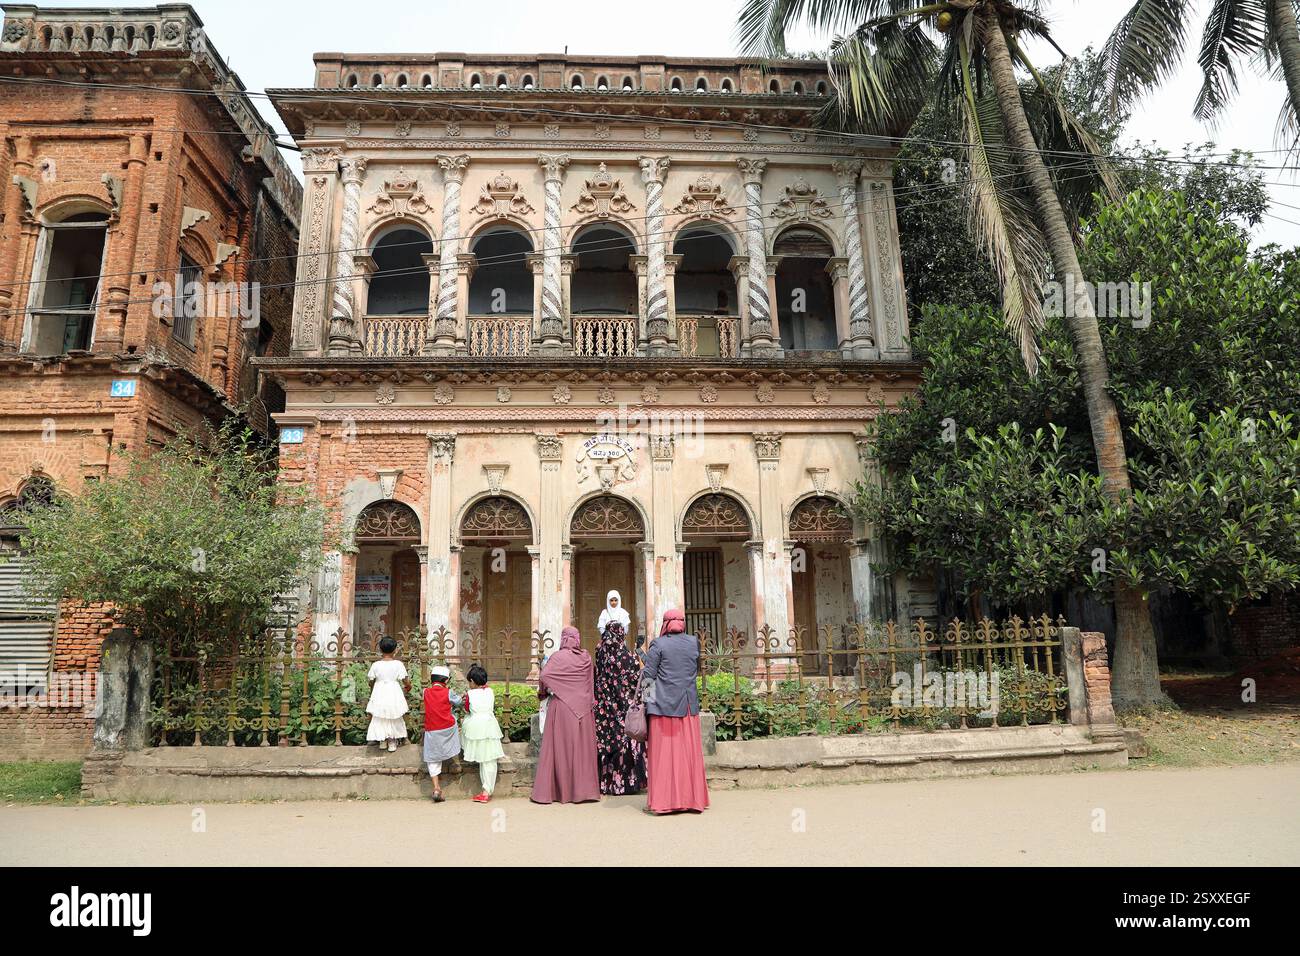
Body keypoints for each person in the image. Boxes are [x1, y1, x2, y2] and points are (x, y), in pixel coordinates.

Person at [642, 609, 709, 814]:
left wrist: (648, 704)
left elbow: (648, 676)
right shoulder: (693, 642)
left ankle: (664, 802)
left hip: (663, 709)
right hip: (688, 706)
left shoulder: (658, 644)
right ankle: (692, 800)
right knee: (688, 754)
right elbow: (694, 670)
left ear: (665, 624)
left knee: (664, 757)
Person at [531, 626, 600, 804]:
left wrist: (544, 692)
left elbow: (545, 676)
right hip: (583, 709)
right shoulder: (586, 658)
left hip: (561, 707)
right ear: (577, 639)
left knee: (559, 750)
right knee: (581, 750)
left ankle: (558, 793)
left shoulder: (557, 657)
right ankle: (583, 792)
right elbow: (591, 681)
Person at [594, 621, 647, 795]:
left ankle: (606, 784)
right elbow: (636, 682)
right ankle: (625, 784)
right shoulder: (628, 657)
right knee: (623, 743)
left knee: (606, 743)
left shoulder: (600, 655)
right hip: (623, 706)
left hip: (604, 708)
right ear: (622, 634)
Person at [461, 664, 506, 804]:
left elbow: (467, 710)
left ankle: (485, 792)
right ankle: (486, 790)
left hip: (476, 727)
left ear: (472, 682)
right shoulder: (490, 691)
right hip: (490, 726)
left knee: (483, 760)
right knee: (489, 760)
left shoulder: (470, 694)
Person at [421, 665, 461, 802]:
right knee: (455, 725)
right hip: (447, 727)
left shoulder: (425, 691)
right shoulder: (448, 692)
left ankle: (437, 788)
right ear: (446, 680)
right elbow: (459, 702)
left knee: (432, 759)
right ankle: (456, 761)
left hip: (432, 729)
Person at [366, 636, 410, 753]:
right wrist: (408, 686)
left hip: (379, 690)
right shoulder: (398, 664)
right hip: (393, 690)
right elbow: (404, 679)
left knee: (380, 715)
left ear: (380, 650)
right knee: (393, 714)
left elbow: (370, 680)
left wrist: (373, 687)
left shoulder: (376, 665)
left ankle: (382, 740)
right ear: (395, 650)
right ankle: (392, 740)